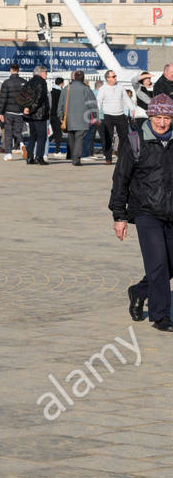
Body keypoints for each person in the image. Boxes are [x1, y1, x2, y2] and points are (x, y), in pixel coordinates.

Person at [110, 95, 173, 332]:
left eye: (167, 118)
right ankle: (161, 316)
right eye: (158, 117)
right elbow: (121, 179)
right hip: (146, 212)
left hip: (171, 210)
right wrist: (119, 216)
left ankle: (139, 291)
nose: (162, 123)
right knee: (157, 262)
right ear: (150, 116)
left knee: (168, 265)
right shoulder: (136, 141)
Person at [57, 69, 98, 167]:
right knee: (79, 139)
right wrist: (95, 116)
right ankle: (76, 159)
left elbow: (60, 104)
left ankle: (74, 156)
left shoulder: (66, 89)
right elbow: (92, 104)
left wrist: (60, 116)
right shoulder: (86, 89)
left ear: (74, 77)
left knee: (71, 138)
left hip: (69, 119)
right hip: (82, 119)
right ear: (83, 78)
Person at [96, 68, 134, 166]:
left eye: (115, 76)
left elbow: (126, 98)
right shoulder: (103, 88)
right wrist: (97, 115)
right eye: (113, 76)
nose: (115, 78)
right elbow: (99, 102)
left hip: (120, 115)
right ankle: (108, 158)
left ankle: (121, 156)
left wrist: (133, 109)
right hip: (108, 115)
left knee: (124, 137)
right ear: (107, 78)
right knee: (108, 138)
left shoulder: (120, 86)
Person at [0, 61, 27, 161]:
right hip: (20, 112)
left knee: (8, 133)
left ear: (10, 70)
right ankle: (22, 144)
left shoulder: (6, 83)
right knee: (18, 131)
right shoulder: (24, 82)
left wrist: (0, 112)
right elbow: (27, 97)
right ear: (18, 70)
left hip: (9, 112)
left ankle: (8, 154)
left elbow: (3, 99)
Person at [22, 65, 50, 166]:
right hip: (39, 114)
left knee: (32, 136)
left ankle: (30, 157)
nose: (46, 74)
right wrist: (32, 109)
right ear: (41, 73)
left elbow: (22, 97)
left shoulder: (28, 82)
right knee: (42, 136)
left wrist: (26, 108)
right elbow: (40, 98)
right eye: (46, 72)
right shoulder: (42, 82)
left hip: (30, 115)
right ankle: (39, 157)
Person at [49, 77, 65, 157]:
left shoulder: (51, 92)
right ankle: (57, 151)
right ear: (61, 84)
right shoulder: (61, 93)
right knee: (58, 133)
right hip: (57, 115)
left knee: (56, 132)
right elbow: (62, 105)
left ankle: (46, 144)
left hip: (51, 115)